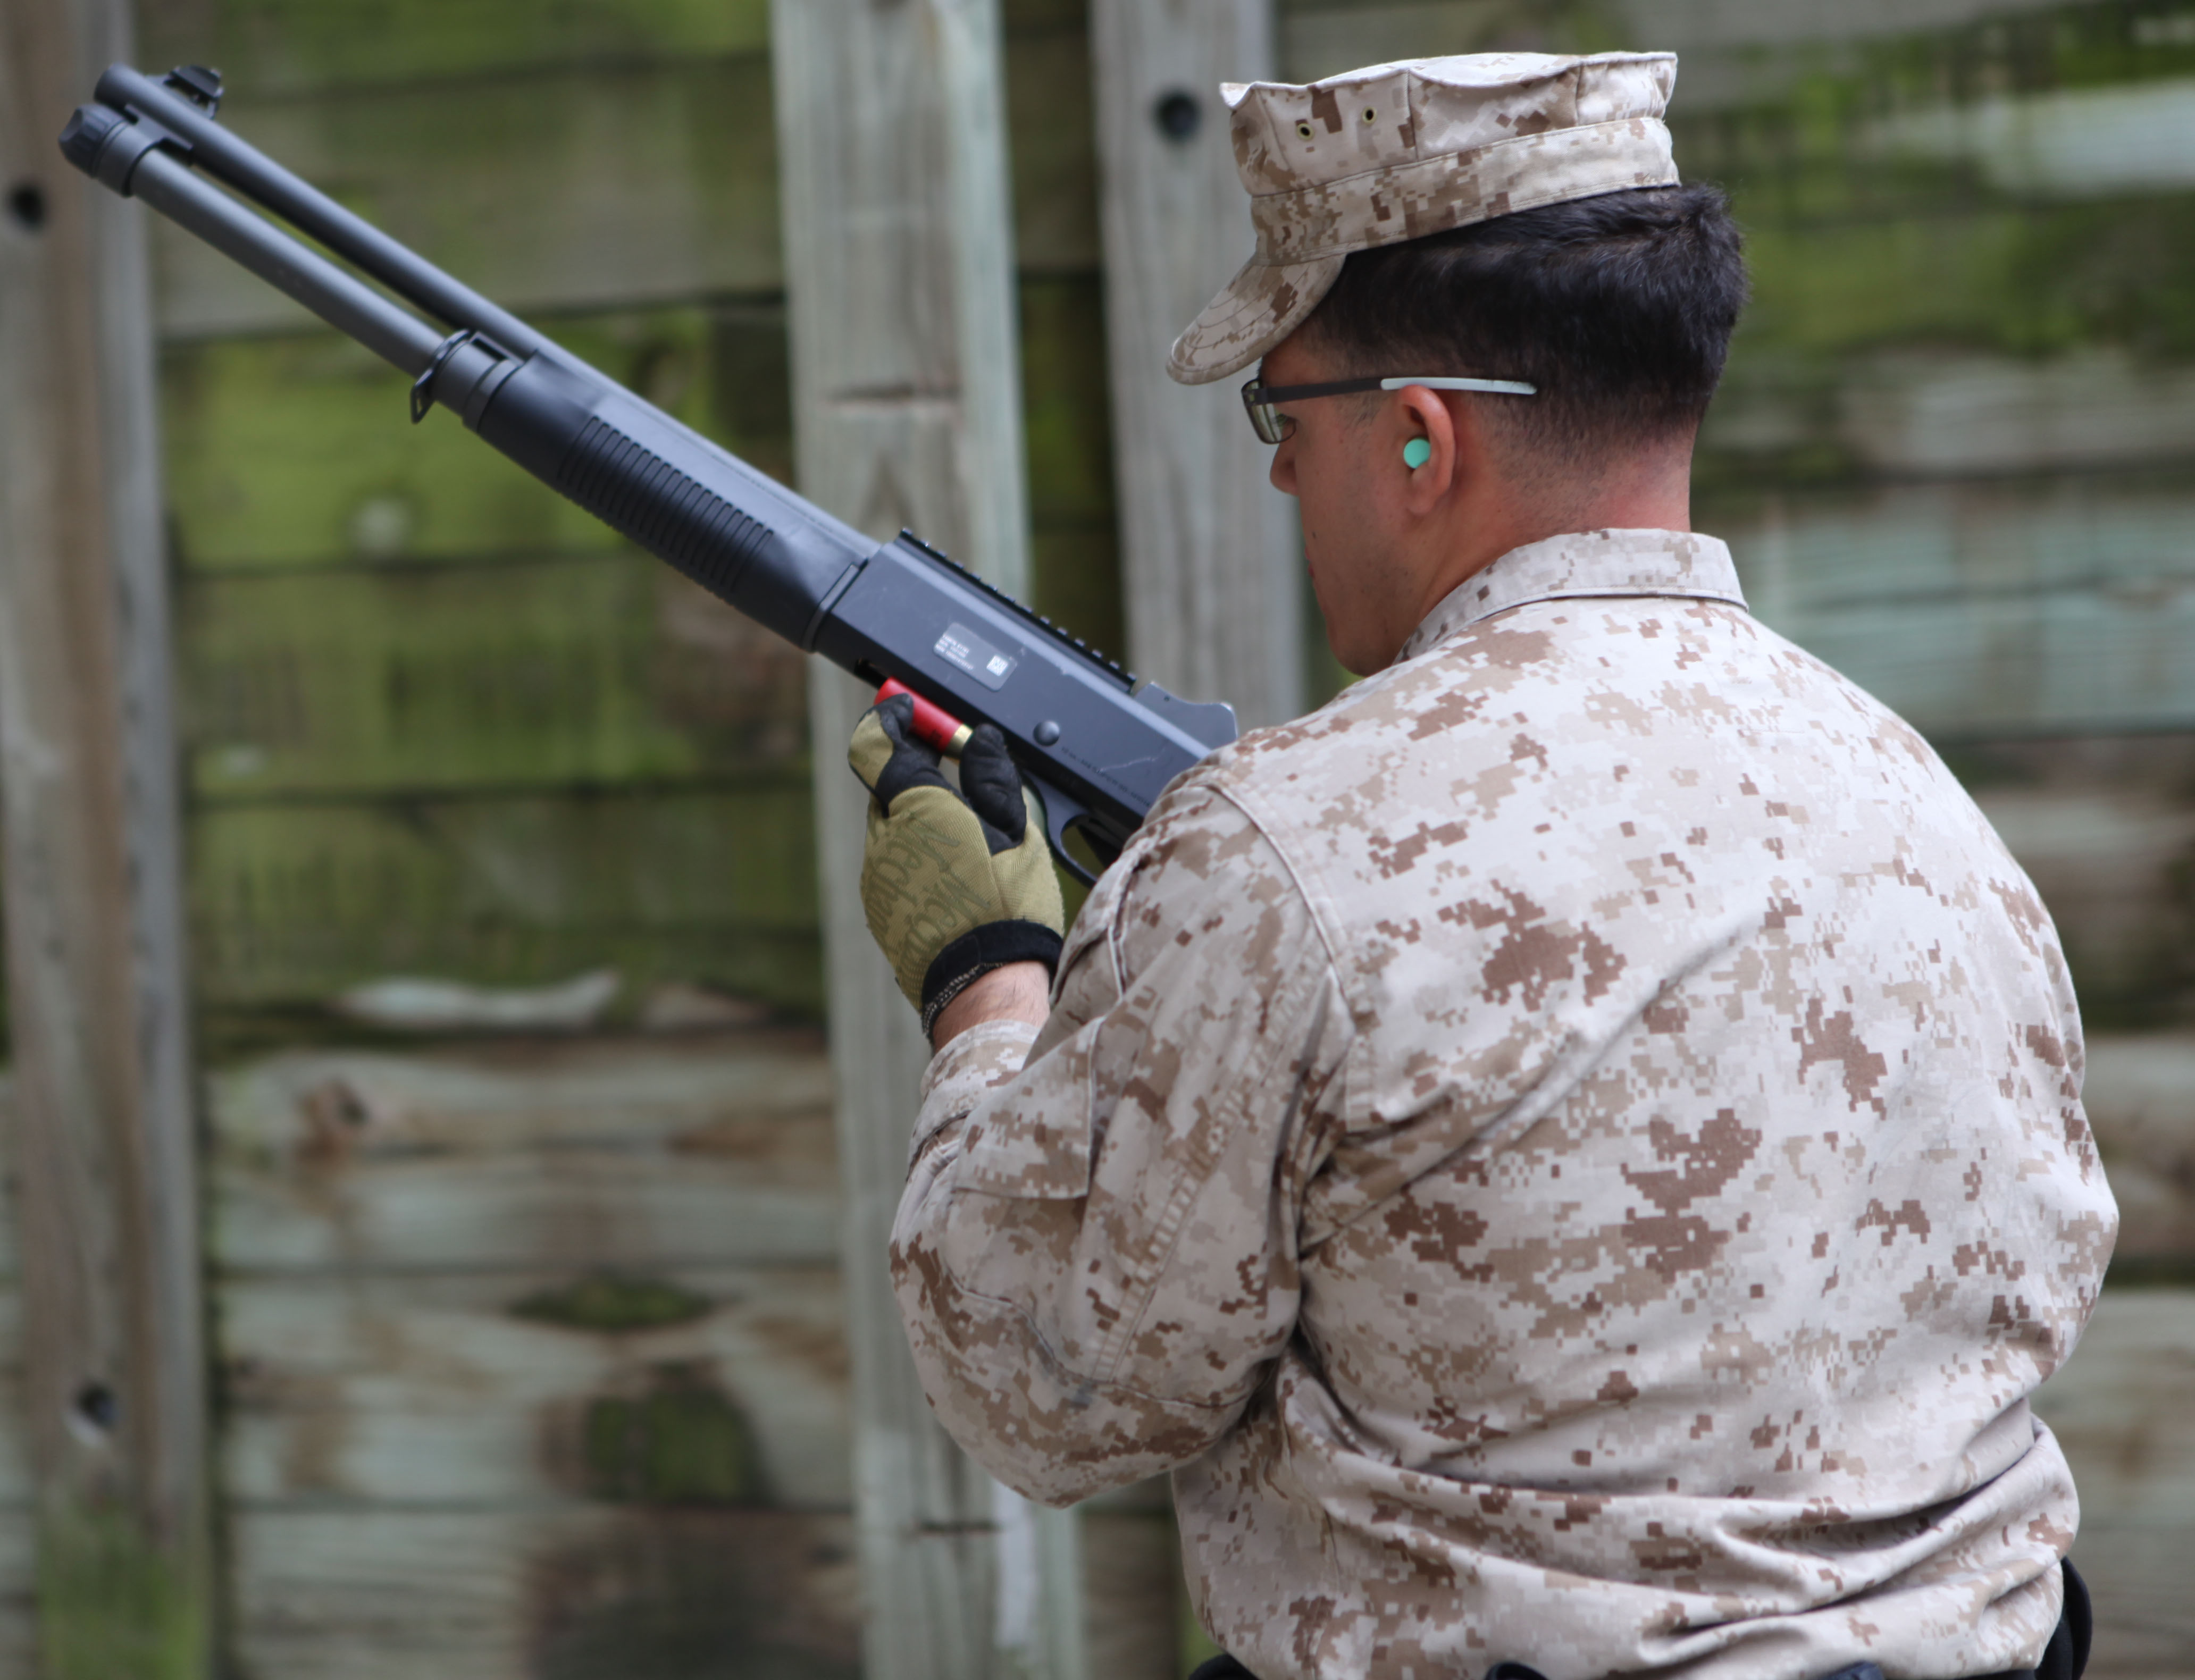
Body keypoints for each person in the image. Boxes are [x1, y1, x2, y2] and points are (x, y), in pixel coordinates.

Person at [844, 51, 2114, 1680]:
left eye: (1281, 416)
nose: (1284, 470)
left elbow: (1046, 1384)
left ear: (1423, 442)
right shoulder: (1935, 817)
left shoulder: (1279, 852)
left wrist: (987, 991)